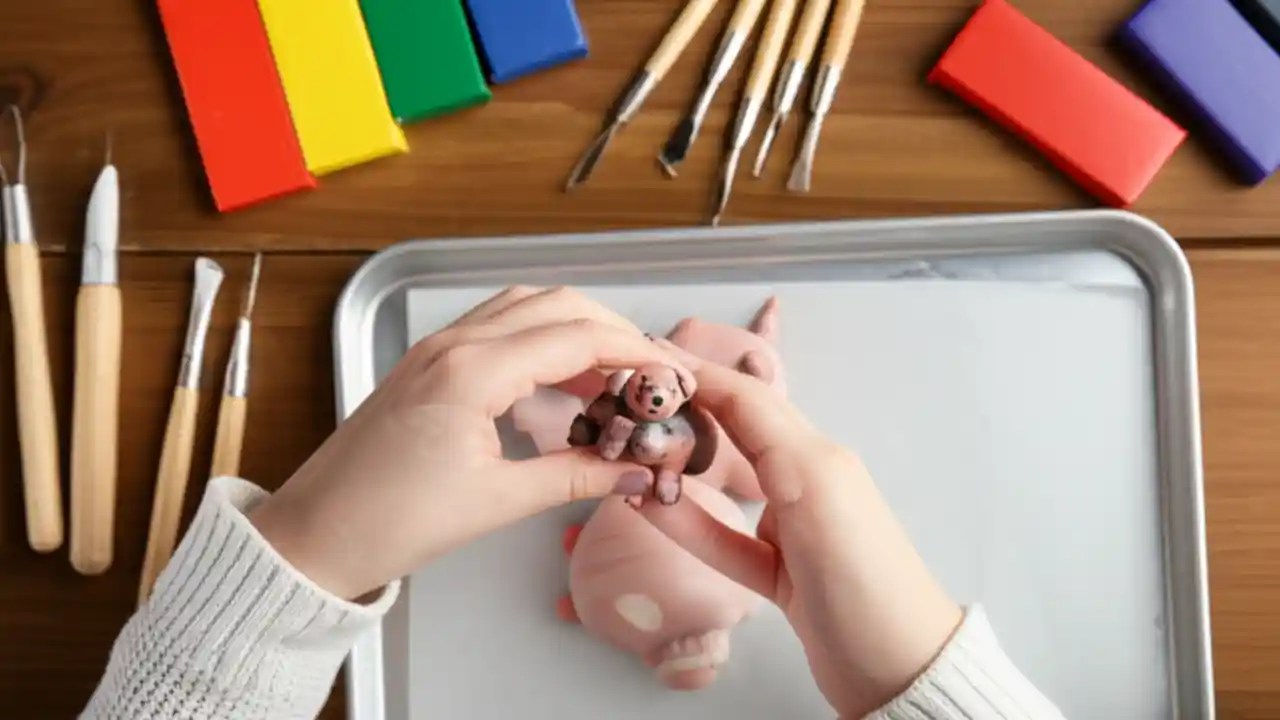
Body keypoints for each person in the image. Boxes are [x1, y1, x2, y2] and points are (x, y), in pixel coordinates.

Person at [81, 287, 1064, 719]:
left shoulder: (686, 450)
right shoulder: (640, 437)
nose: (651, 393)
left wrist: (295, 564)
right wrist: (916, 684)